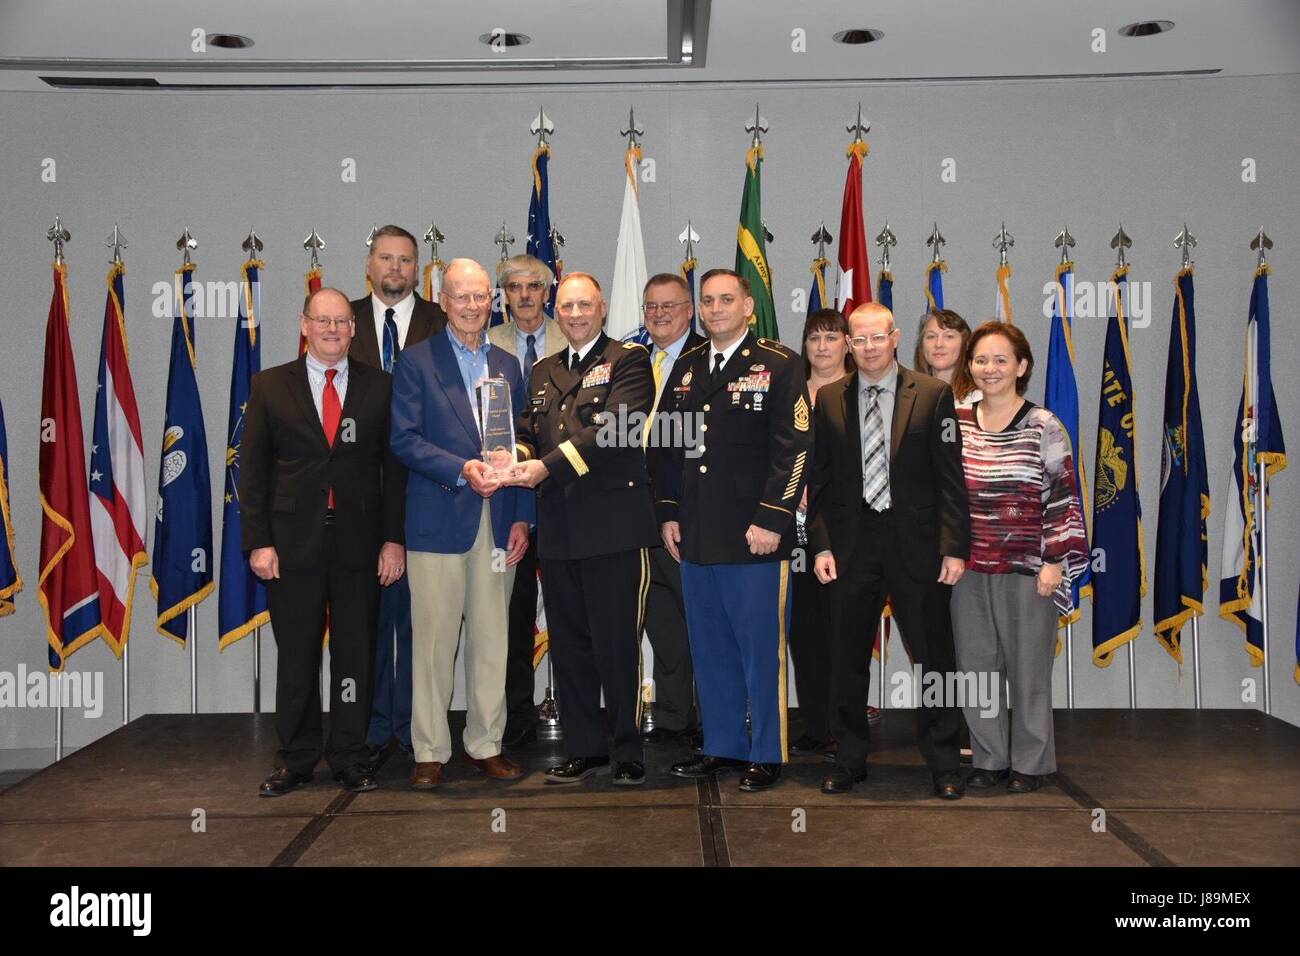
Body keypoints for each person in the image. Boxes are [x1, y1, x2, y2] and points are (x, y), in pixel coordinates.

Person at [242, 288, 405, 796]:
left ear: (354, 328)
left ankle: (350, 756)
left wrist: (393, 541)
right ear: (304, 324)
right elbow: (252, 474)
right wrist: (259, 542)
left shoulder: (381, 387)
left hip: (360, 545)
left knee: (356, 656)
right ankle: (295, 759)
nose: (333, 329)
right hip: (291, 546)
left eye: (341, 321)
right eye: (322, 320)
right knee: (297, 658)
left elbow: (393, 473)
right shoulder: (270, 386)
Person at [657, 269, 813, 792]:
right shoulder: (688, 364)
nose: (715, 308)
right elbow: (669, 446)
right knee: (711, 648)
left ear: (749, 306)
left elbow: (795, 448)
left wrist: (773, 517)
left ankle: (768, 752)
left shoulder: (779, 363)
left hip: (755, 538)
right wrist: (668, 511)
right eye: (707, 300)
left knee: (760, 651)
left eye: (727, 299)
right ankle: (723, 744)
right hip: (699, 534)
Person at [809, 302, 971, 800]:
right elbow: (818, 482)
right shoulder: (830, 398)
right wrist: (820, 547)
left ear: (896, 337)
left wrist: (953, 548)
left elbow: (951, 481)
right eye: (858, 340)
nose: (869, 347)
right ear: (849, 344)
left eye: (878, 337)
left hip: (917, 547)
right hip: (853, 547)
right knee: (846, 658)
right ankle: (849, 758)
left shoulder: (934, 394)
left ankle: (945, 762)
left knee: (934, 657)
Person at [504, 272, 658, 786]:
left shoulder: (630, 360)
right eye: (565, 306)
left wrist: (544, 466)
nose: (573, 314)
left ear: (603, 307)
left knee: (617, 645)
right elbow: (529, 431)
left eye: (583, 305)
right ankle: (584, 746)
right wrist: (515, 456)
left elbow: (617, 428)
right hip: (561, 528)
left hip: (613, 527)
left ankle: (627, 749)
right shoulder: (544, 370)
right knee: (569, 645)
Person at [390, 259, 533, 790]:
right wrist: (461, 469)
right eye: (461, 297)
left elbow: (525, 442)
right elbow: (403, 440)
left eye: (480, 297)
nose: (472, 306)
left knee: (494, 639)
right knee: (432, 642)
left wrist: (523, 517)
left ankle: (485, 743)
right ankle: (429, 749)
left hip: (499, 522)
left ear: (490, 300)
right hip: (438, 521)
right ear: (443, 300)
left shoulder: (509, 364)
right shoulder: (416, 363)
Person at [952, 321, 1088, 793]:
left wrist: (1055, 560)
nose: (989, 369)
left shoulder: (1044, 424)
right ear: (970, 366)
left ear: (1022, 366)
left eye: (1000, 360)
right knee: (976, 669)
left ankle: (1031, 764)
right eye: (981, 360)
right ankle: (989, 759)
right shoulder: (955, 419)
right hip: (966, 569)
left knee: (1028, 670)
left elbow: (1063, 496)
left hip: (1030, 569)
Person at [349, 225, 448, 766]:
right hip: (360, 495)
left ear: (419, 268)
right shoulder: (345, 321)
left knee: (418, 622)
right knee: (366, 621)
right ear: (369, 264)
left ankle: (414, 727)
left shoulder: (440, 322)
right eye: (385, 258)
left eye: (405, 260)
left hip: (425, 491)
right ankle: (368, 725)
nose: (395, 268)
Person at [487, 254, 567, 749]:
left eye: (533, 285)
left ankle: (577, 708)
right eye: (513, 287)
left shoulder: (574, 339)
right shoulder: (484, 344)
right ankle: (516, 714)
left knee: (569, 610)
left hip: (564, 499)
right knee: (512, 616)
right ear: (504, 295)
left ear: (547, 289)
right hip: (504, 503)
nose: (524, 295)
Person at [640, 273, 706, 746]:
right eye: (651, 307)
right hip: (637, 515)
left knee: (702, 621)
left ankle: (716, 719)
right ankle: (673, 717)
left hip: (691, 515)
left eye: (669, 306)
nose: (659, 315)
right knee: (662, 624)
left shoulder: (709, 360)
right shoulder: (634, 361)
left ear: (690, 310)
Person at [788, 308, 853, 758]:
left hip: (845, 529)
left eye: (832, 337)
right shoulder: (788, 391)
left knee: (842, 629)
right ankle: (815, 725)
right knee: (804, 630)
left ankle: (843, 726)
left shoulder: (859, 392)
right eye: (814, 338)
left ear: (848, 344)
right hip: (790, 531)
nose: (822, 346)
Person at [914, 308, 978, 403]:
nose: (938, 344)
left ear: (965, 344)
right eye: (931, 336)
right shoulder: (908, 397)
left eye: (949, 336)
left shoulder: (979, 399)